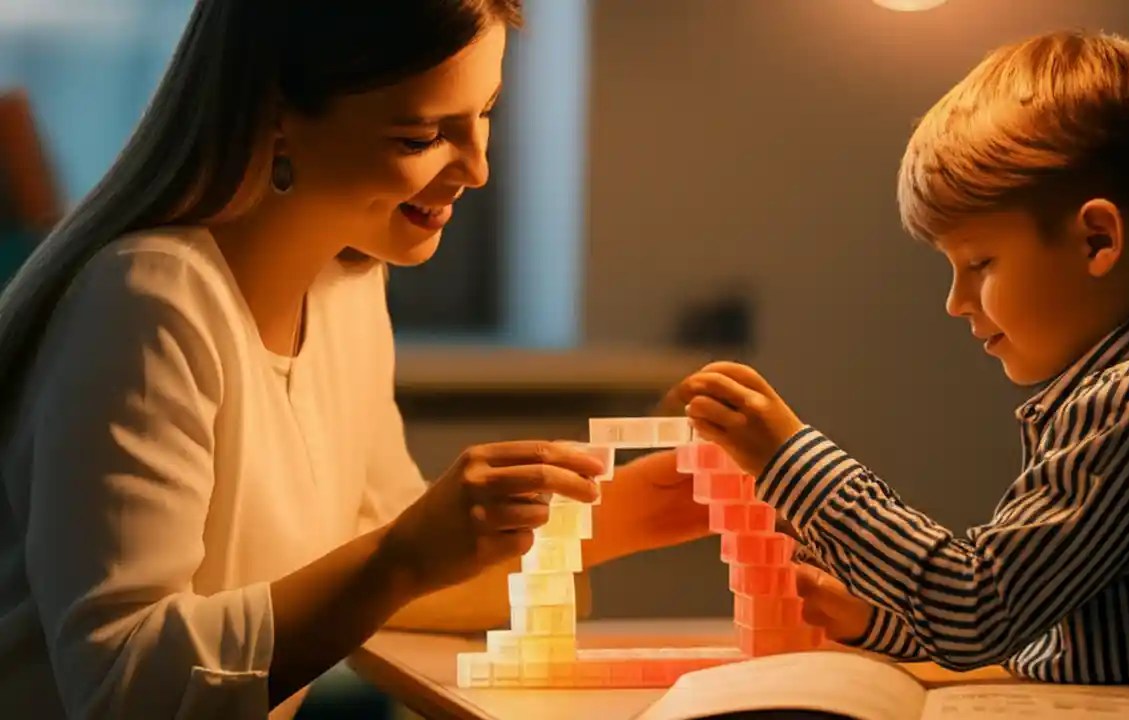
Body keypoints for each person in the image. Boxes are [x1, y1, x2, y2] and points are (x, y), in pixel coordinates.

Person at [0, 2, 707, 718]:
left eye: (485, 111)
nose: (478, 167)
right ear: (277, 113)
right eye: (423, 134)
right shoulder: (150, 301)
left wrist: (626, 510)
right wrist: (402, 554)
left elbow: (396, 578)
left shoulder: (346, 290)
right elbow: (121, 684)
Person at [673, 30, 1129, 718]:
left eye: (980, 263)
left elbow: (978, 607)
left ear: (1097, 241)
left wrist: (793, 460)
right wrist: (876, 623)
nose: (956, 302)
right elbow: (1033, 615)